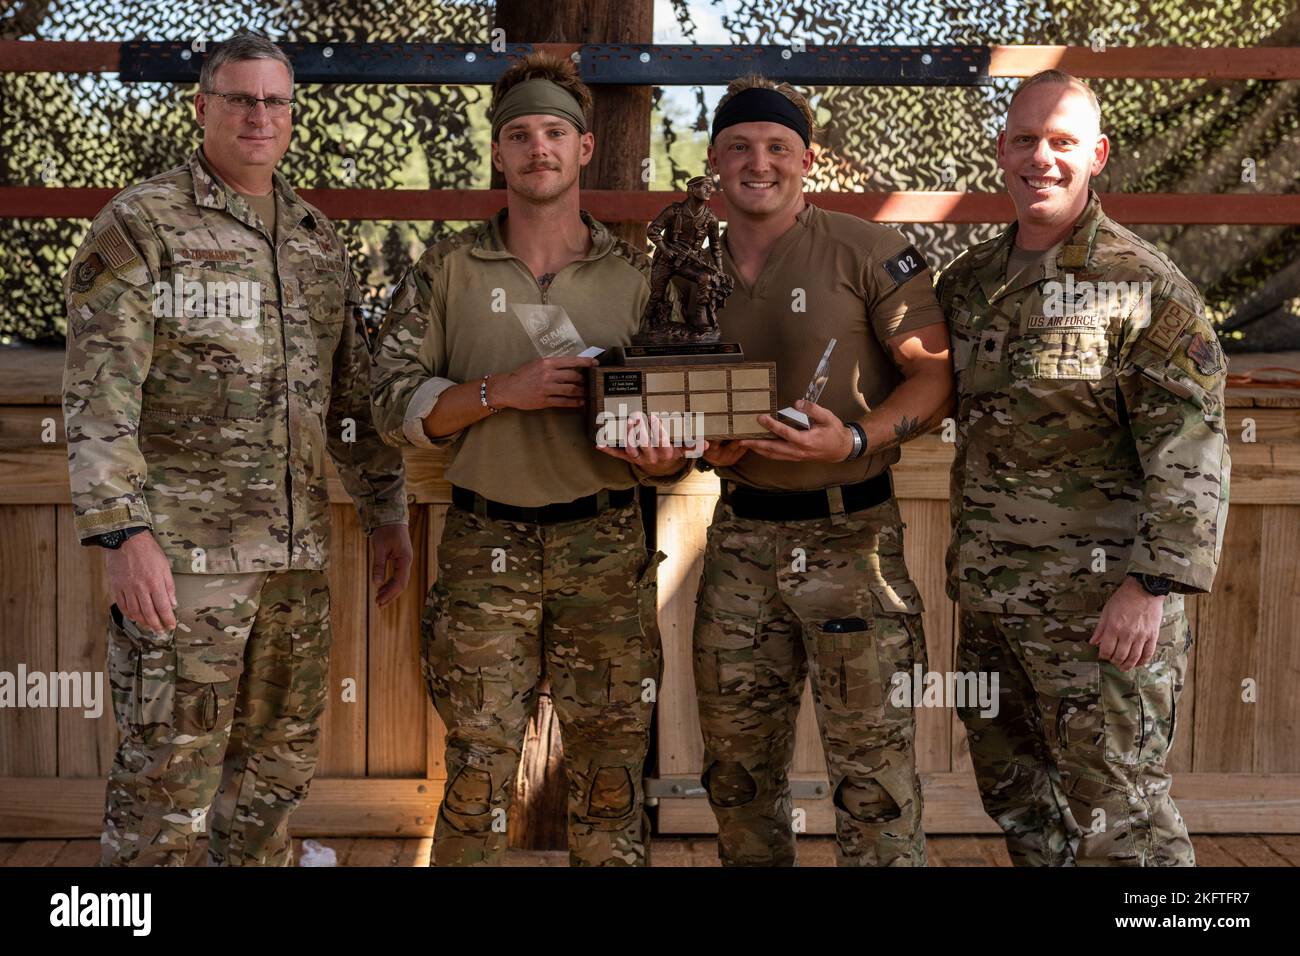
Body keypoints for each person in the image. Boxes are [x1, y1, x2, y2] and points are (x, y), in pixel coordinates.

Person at [62, 30, 412, 866]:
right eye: (241, 99)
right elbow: (97, 395)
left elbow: (350, 400)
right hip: (184, 564)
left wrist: (386, 509)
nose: (260, 115)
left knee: (271, 781)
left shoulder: (316, 239)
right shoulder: (142, 224)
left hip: (296, 563)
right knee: (165, 789)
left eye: (275, 101)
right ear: (203, 108)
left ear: (291, 115)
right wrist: (121, 534)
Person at [370, 52, 689, 866]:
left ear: (585, 149)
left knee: (609, 779)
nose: (537, 147)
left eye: (555, 132)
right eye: (520, 134)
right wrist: (497, 392)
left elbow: (680, 425)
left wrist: (661, 460)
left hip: (606, 547)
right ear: (499, 154)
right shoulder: (447, 269)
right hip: (485, 549)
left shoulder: (639, 276)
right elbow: (389, 400)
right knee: (475, 777)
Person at [935, 69, 1231, 866]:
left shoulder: (1145, 289)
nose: (1042, 158)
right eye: (1026, 140)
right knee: (1020, 801)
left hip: (1103, 610)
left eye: (1063, 142)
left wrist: (1152, 587)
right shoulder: (966, 285)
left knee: (1122, 815)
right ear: (1002, 150)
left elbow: (1192, 450)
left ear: (1096, 154)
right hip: (994, 602)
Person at [693, 74, 954, 866]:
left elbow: (936, 378)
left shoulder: (867, 249)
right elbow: (668, 388)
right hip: (740, 539)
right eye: (739, 146)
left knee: (873, 781)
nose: (758, 162)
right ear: (713, 162)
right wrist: (701, 444)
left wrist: (851, 442)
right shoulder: (686, 268)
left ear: (809, 160)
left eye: (777, 147)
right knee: (737, 777)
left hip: (852, 536)